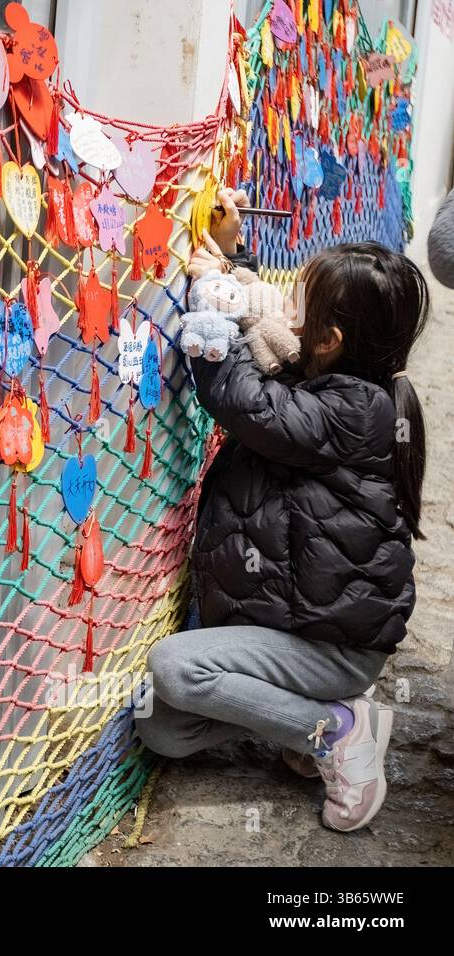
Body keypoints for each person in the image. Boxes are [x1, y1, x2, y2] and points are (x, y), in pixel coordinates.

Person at [134, 188, 429, 833]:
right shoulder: (331, 372)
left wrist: (215, 325)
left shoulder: (353, 410)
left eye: (301, 298)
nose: (282, 299)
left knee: (173, 669)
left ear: (329, 338)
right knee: (161, 725)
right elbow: (262, 308)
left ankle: (332, 730)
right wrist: (231, 254)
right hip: (294, 627)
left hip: (330, 647)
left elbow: (248, 403)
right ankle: (317, 722)